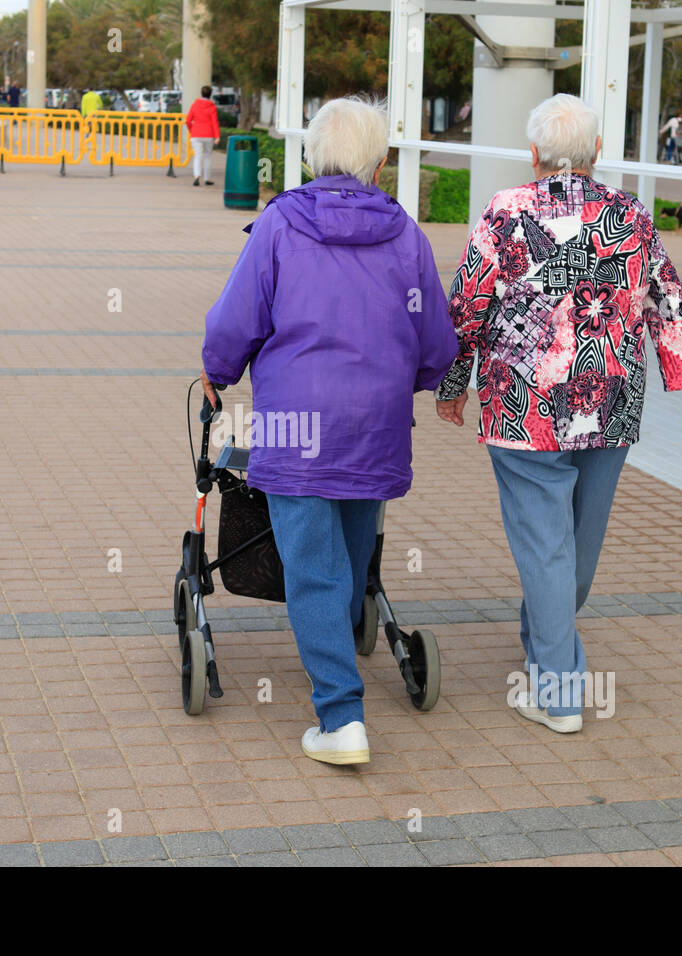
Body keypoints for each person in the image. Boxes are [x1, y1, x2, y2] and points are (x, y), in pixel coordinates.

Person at [435, 94, 682, 734]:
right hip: (609, 406)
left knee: (554, 553)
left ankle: (548, 651)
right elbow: (668, 303)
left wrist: (453, 381)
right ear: (597, 154)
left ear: (533, 154)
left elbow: (468, 306)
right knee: (573, 553)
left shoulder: (507, 212)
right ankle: (560, 686)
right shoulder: (630, 215)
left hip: (524, 408)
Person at [201, 96, 457, 766]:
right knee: (349, 549)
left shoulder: (280, 225)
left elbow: (237, 318)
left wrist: (217, 370)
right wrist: (417, 377)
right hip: (374, 422)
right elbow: (436, 339)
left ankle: (341, 718)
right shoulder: (405, 232)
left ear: (312, 155)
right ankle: (339, 644)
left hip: (294, 422)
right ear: (380, 162)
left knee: (313, 567)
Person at [185, 85, 220, 187]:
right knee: (208, 156)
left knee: (197, 156)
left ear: (201, 93)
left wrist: (192, 130)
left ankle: (196, 177)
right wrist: (217, 136)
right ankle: (207, 178)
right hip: (209, 135)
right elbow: (215, 122)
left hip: (196, 134)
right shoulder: (212, 107)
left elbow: (188, 120)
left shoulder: (195, 105)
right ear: (210, 94)